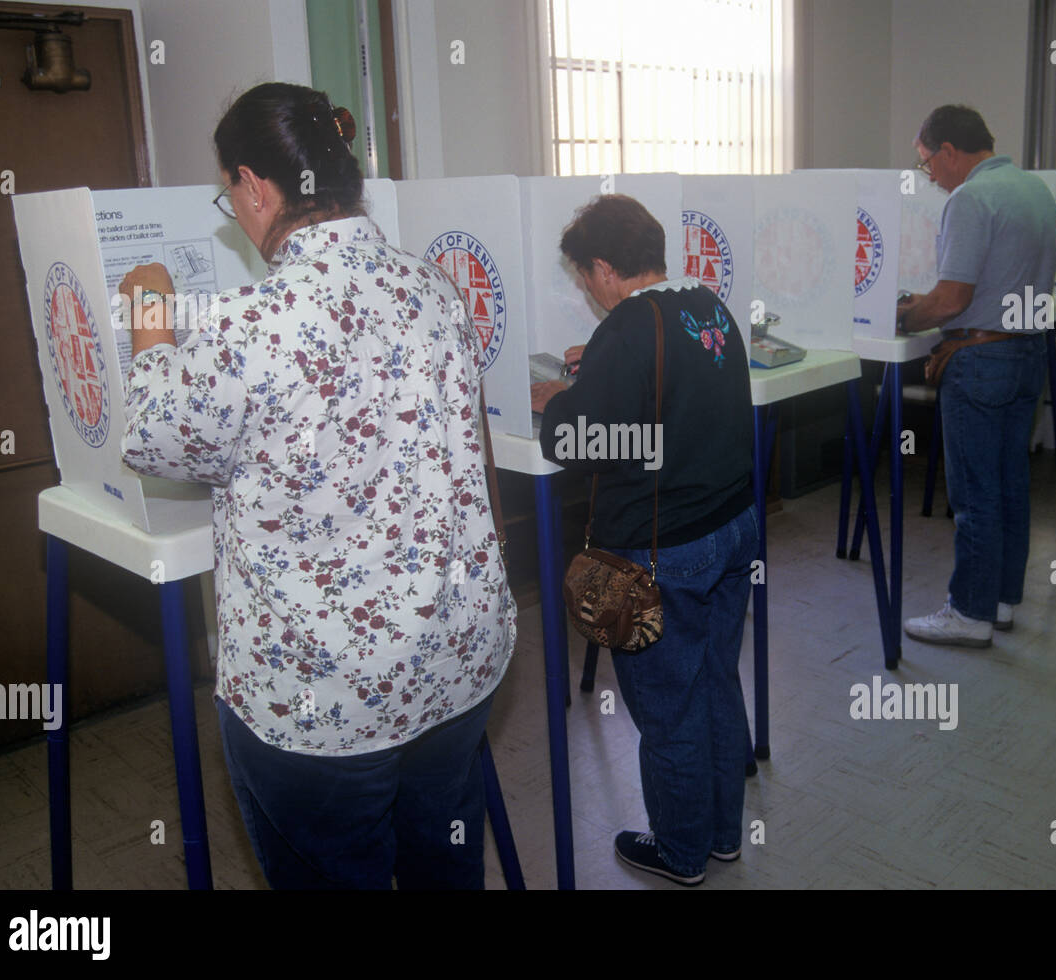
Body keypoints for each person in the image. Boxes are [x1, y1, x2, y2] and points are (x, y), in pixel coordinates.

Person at [119, 82, 516, 889]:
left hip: (322, 703)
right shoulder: (434, 287)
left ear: (257, 187)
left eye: (231, 195)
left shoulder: (247, 323)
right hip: (456, 658)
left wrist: (150, 319)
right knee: (445, 866)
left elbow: (152, 434)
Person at [531, 194, 757, 886]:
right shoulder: (707, 305)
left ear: (604, 267)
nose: (587, 289)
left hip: (664, 551)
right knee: (716, 682)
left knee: (667, 709)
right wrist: (596, 369)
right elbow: (665, 408)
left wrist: (555, 401)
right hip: (732, 527)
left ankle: (680, 851)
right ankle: (721, 836)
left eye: (583, 275)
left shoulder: (628, 327)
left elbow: (577, 440)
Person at [896, 105, 1056, 648]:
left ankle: (968, 612)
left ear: (948, 151)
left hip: (980, 360)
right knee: (1011, 484)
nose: (931, 178)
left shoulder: (970, 198)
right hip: (1026, 353)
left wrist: (899, 314)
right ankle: (1002, 601)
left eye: (927, 165)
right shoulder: (1033, 189)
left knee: (974, 494)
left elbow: (951, 299)